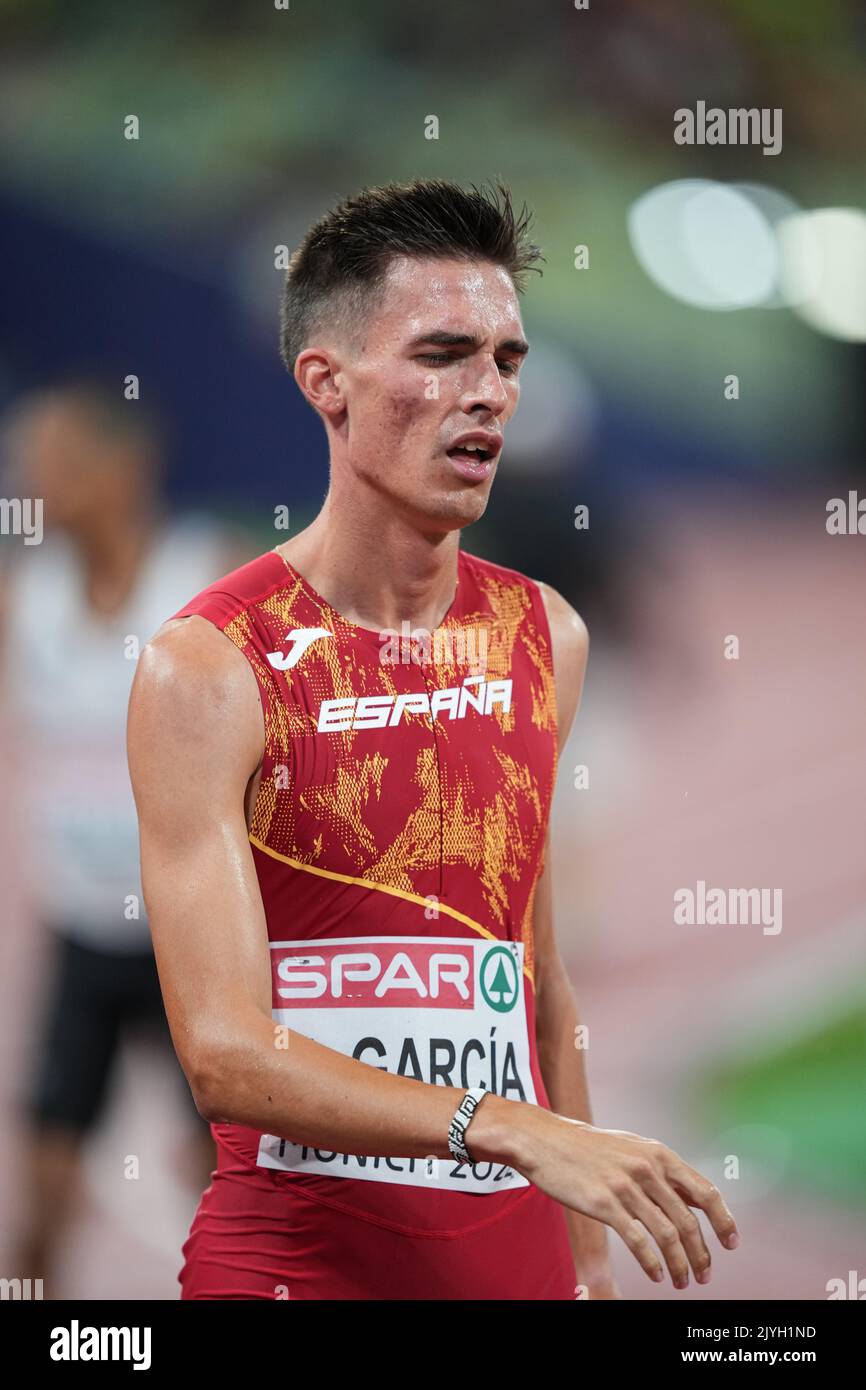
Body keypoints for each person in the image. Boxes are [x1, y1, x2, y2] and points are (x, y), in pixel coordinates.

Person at [127, 179, 740, 1300]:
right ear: (327, 382)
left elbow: (539, 985)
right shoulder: (208, 666)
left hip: (509, 1268)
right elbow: (222, 1054)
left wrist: (588, 1260)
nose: (488, 395)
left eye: (505, 360)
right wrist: (505, 1126)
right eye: (442, 353)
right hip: (294, 1268)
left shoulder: (541, 634)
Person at [0, 381, 235, 1294]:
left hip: (196, 948)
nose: (29, 482)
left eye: (50, 463)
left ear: (122, 468)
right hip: (83, 936)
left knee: (233, 1196)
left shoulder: (206, 579)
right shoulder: (25, 600)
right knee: (42, 1205)